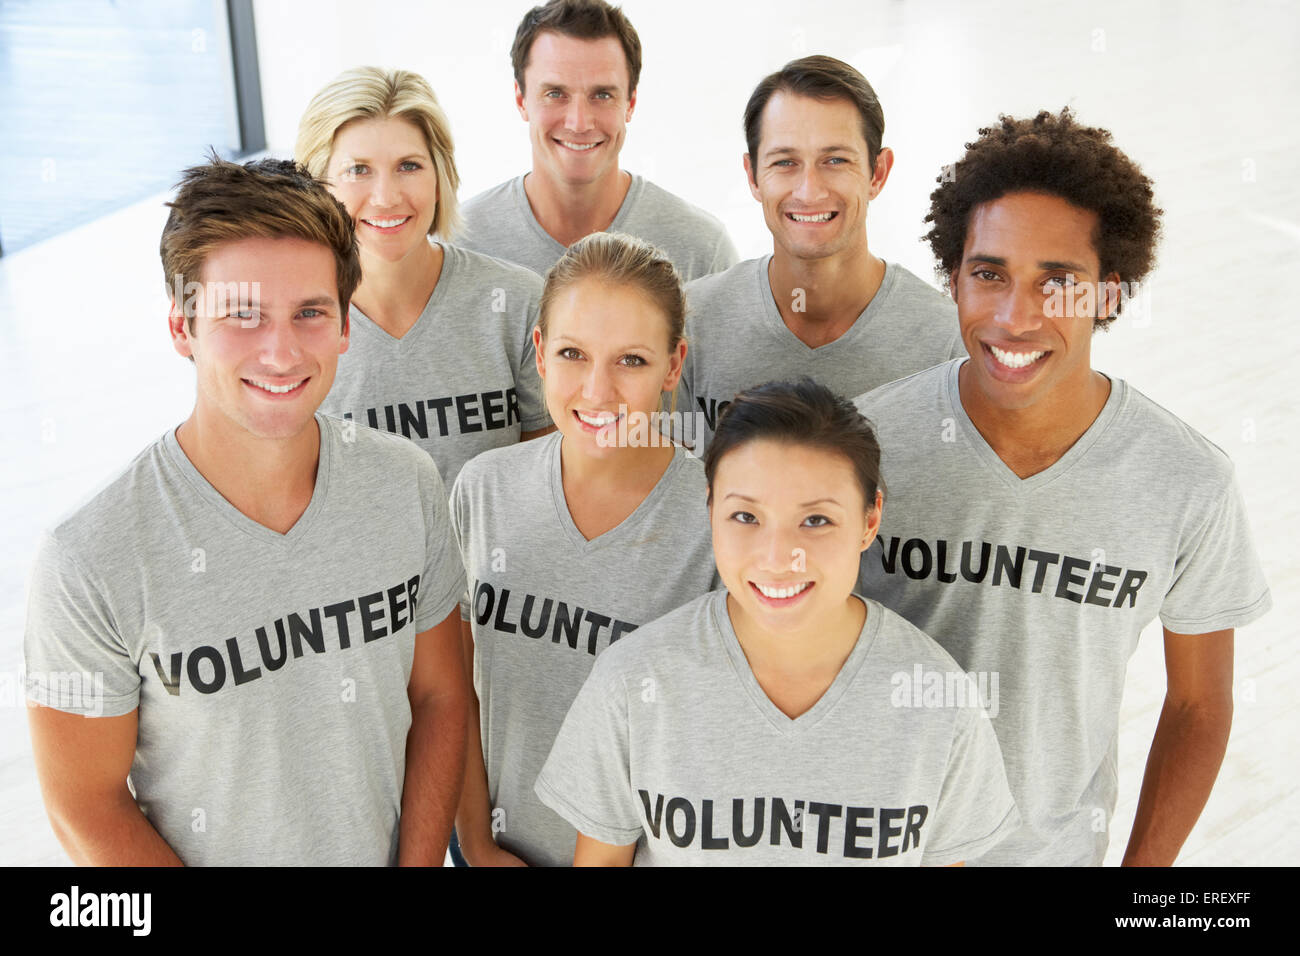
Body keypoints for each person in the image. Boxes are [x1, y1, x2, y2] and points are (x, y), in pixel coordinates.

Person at [854, 108, 1273, 866]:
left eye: (1059, 282)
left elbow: (1198, 704)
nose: (1016, 318)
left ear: (1108, 295)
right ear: (953, 278)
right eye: (989, 274)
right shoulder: (863, 448)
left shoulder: (1187, 482)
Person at [23, 156, 469, 866]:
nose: (281, 350)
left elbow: (442, 698)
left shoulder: (405, 484)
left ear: (345, 324)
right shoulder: (88, 557)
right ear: (182, 327)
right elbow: (84, 805)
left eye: (310, 312)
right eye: (242, 315)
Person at [535, 380, 1017, 865]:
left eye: (815, 521)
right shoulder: (632, 682)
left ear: (870, 522)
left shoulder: (938, 698)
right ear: (710, 510)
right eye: (746, 516)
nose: (777, 558)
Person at [450, 232, 717, 866]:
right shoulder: (483, 488)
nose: (597, 392)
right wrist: (478, 845)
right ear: (539, 352)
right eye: (573, 353)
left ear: (673, 366)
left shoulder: (718, 520)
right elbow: (452, 688)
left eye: (631, 361)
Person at [676, 56, 963, 454]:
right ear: (753, 176)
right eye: (785, 162)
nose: (809, 191)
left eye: (835, 160)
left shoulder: (949, 342)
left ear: (877, 173)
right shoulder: (690, 322)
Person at [297, 66, 552, 489]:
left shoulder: (520, 303)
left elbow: (543, 485)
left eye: (409, 166)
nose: (386, 197)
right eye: (358, 169)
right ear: (318, 184)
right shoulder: (291, 324)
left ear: (440, 177)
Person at [458, 0, 737, 281]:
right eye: (555, 93)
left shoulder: (702, 252)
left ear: (630, 102)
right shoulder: (460, 245)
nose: (579, 123)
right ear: (521, 100)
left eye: (602, 95)